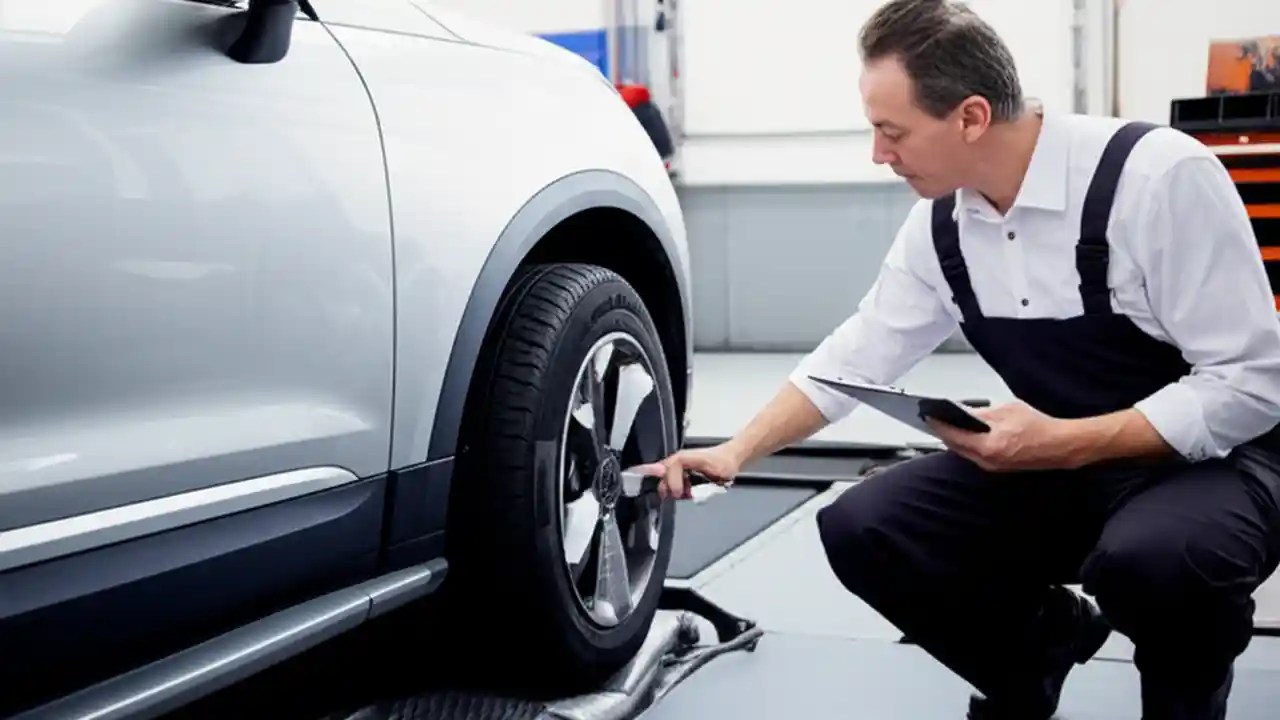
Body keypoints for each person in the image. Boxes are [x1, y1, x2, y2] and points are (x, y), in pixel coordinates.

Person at [639, 1, 1280, 718]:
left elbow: (1251, 386)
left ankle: (1185, 701)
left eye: (892, 132)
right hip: (1060, 461)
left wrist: (1064, 442)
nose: (879, 155)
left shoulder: (1156, 179)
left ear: (971, 117)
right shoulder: (942, 226)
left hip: (1219, 466)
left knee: (1156, 563)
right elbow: (859, 353)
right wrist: (737, 451)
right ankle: (1034, 652)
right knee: (866, 529)